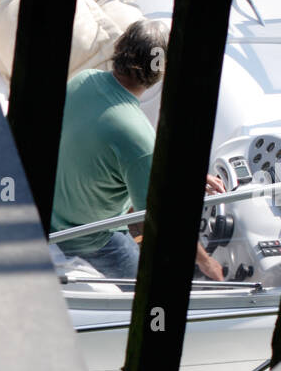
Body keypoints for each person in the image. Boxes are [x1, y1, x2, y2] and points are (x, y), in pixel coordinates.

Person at [51, 19, 225, 285]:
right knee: (150, 284)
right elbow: (160, 225)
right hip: (89, 238)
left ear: (120, 48)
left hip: (52, 214)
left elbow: (112, 148)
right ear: (160, 70)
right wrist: (206, 262)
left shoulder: (82, 81)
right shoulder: (137, 137)